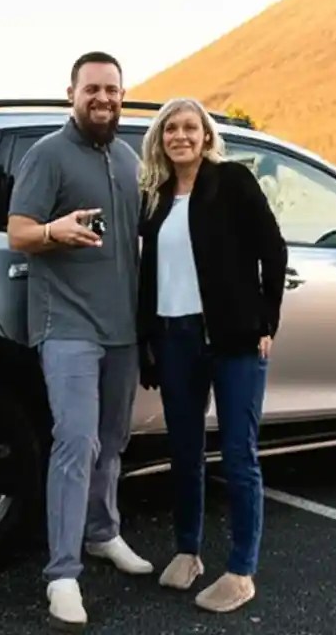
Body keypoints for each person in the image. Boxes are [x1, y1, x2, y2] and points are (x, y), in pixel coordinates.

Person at [7, 51, 153, 629]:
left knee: (113, 441)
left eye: (112, 89)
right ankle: (62, 575)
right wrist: (52, 231)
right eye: (92, 88)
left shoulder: (126, 157)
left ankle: (103, 534)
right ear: (71, 92)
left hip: (122, 328)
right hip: (65, 325)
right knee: (76, 442)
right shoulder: (46, 155)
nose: (104, 98)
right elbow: (18, 234)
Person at [136, 97, 287, 613]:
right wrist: (146, 343)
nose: (180, 135)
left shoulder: (233, 183)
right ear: (160, 139)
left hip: (233, 337)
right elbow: (149, 275)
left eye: (190, 127)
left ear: (205, 136)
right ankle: (188, 551)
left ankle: (242, 571)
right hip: (173, 338)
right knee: (184, 451)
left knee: (240, 455)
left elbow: (274, 251)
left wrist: (267, 320)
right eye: (171, 128)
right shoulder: (154, 199)